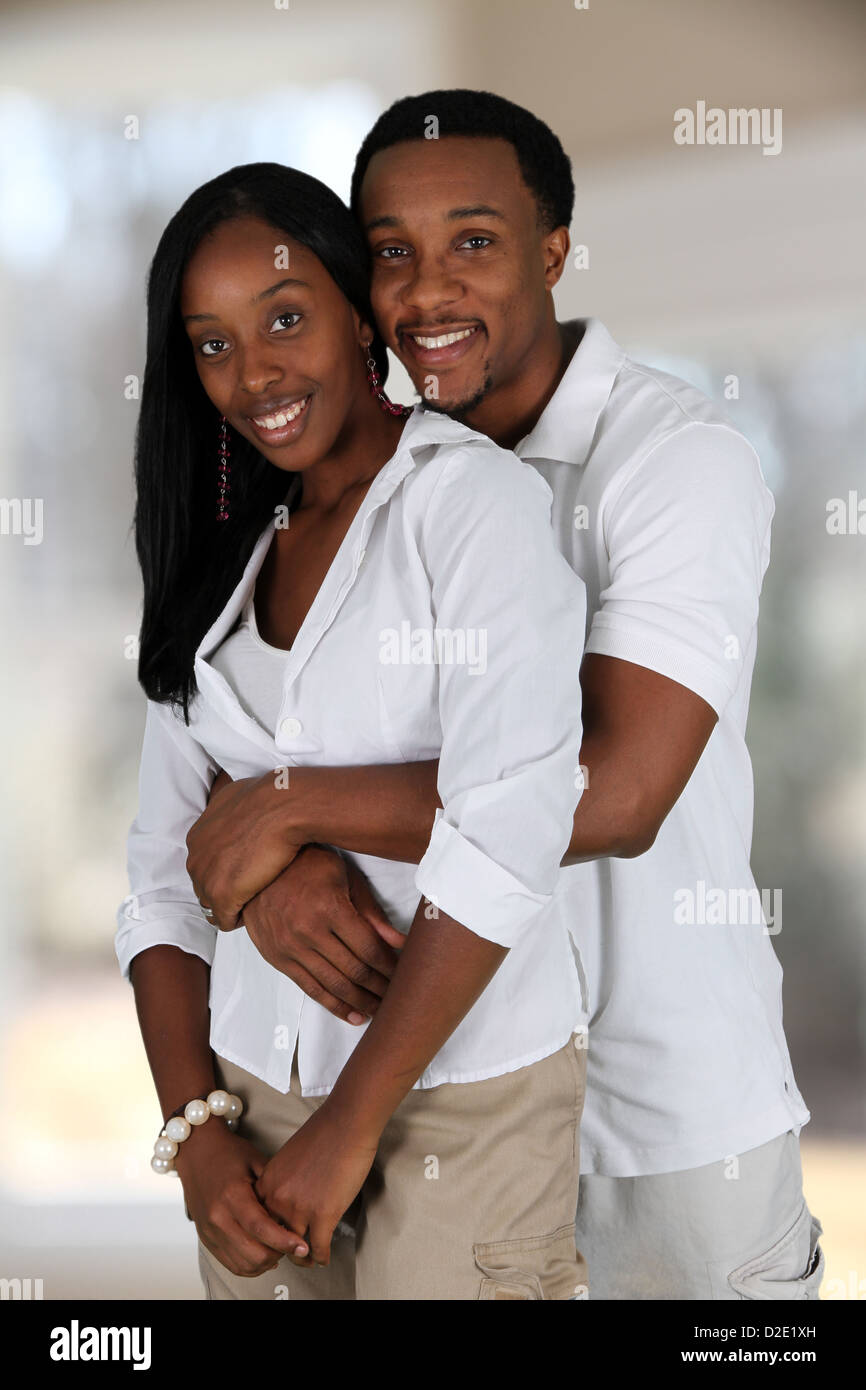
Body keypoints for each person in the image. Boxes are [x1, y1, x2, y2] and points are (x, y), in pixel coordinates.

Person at [187, 93, 823, 1300]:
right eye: (389, 253)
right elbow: (247, 724)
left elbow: (622, 789)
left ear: (549, 252)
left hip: (656, 1129)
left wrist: (288, 814)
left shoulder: (674, 460)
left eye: (472, 243)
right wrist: (277, 850)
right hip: (449, 1099)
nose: (427, 293)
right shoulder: (348, 480)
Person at [116, 161, 592, 1301]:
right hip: (250, 1100)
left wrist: (350, 1123)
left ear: (352, 308)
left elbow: (509, 817)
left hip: (460, 1102)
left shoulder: (467, 507)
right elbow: (162, 880)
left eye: (284, 319)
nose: (254, 375)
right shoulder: (219, 548)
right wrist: (194, 1135)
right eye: (213, 343)